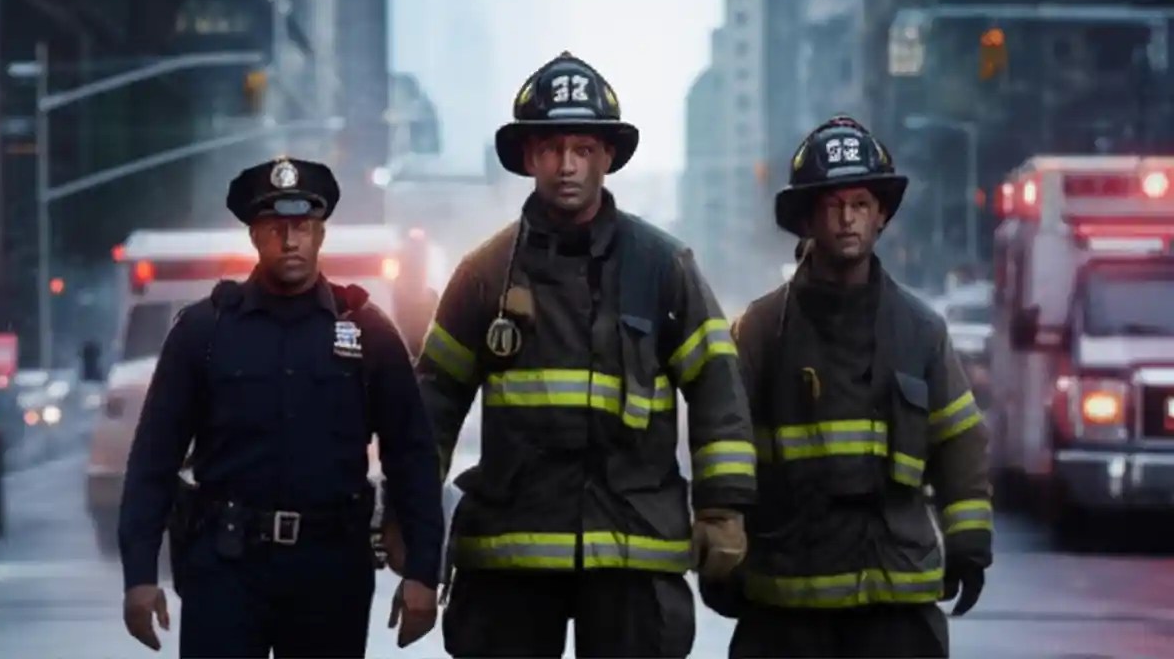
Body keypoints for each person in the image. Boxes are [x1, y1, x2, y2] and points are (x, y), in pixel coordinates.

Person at [414, 51, 757, 658]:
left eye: (581, 149)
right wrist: (412, 523)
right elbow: (433, 403)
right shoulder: (484, 273)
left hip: (634, 544)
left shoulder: (663, 267)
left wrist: (722, 507)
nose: (566, 166)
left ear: (607, 156)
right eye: (550, 149)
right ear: (528, 158)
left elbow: (717, 388)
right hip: (513, 548)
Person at [116, 157, 444, 658]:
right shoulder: (204, 332)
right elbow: (152, 460)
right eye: (275, 227)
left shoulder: (368, 331)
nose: (290, 241)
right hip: (225, 570)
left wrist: (423, 570)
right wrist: (139, 576)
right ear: (254, 235)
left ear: (320, 233)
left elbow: (412, 455)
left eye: (303, 226)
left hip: (330, 570)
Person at [707, 116, 993, 657]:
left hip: (895, 600)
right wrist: (722, 539)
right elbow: (725, 442)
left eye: (860, 204)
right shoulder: (762, 330)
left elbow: (959, 439)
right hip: (788, 599)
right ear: (807, 219)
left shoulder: (921, 331)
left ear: (881, 214)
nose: (847, 219)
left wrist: (969, 540)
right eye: (832, 205)